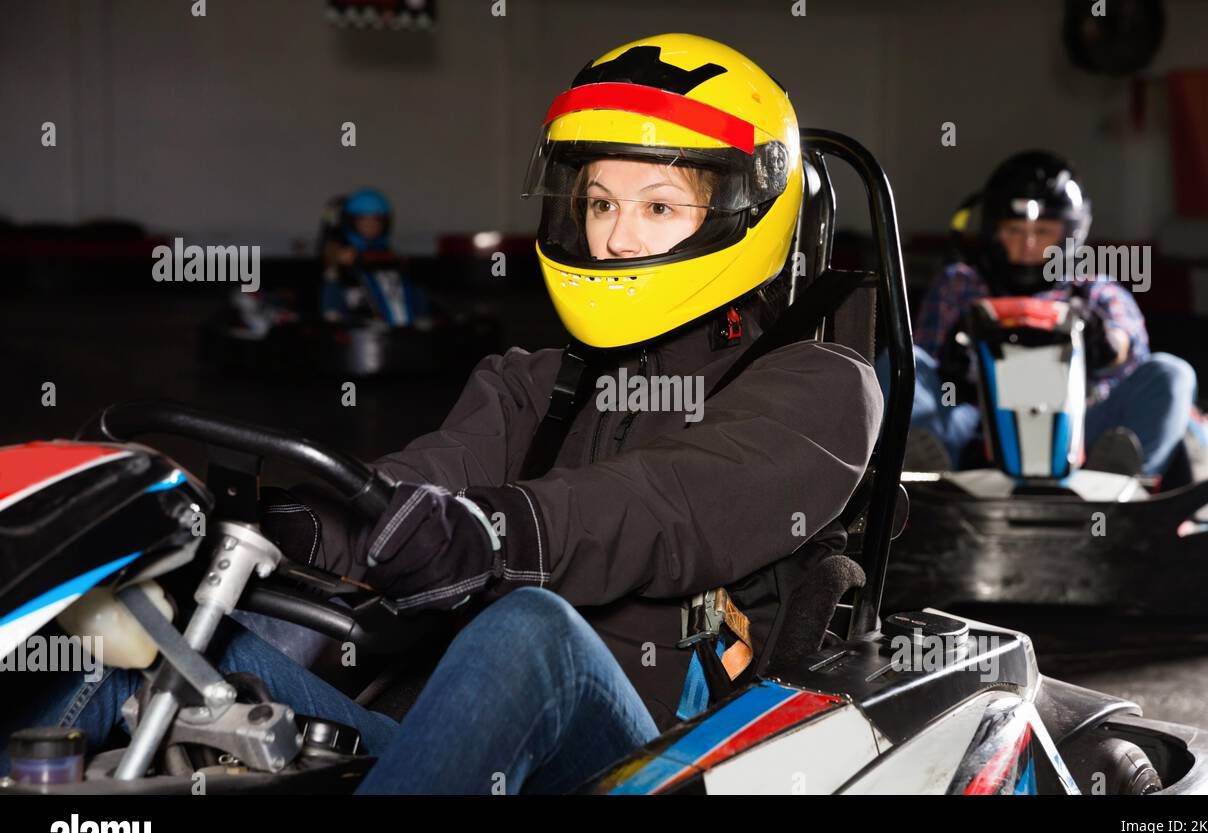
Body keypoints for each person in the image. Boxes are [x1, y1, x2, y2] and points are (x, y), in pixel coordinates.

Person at [1, 34, 881, 793]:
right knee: (129, 628)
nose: (615, 238)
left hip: (649, 763)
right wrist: (288, 524)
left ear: (749, 215)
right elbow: (411, 496)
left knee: (530, 627)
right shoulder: (531, 383)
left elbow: (666, 508)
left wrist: (496, 535)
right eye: (602, 204)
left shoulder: (822, 388)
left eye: (658, 208)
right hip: (447, 751)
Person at [895, 150, 1195, 477]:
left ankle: (1116, 484)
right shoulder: (960, 284)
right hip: (972, 428)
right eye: (1014, 230)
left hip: (1079, 429)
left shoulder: (1093, 290)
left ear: (1069, 235)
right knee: (898, 361)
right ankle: (925, 478)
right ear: (993, 232)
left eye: (1041, 233)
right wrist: (952, 361)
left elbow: (1127, 342)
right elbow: (922, 366)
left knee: (1172, 373)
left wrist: (1105, 343)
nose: (1026, 245)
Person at [320, 188, 431, 327]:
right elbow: (331, 315)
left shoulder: (395, 260)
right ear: (351, 222)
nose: (371, 225)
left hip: (402, 334)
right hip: (360, 337)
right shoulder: (340, 261)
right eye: (364, 220)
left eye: (376, 220)